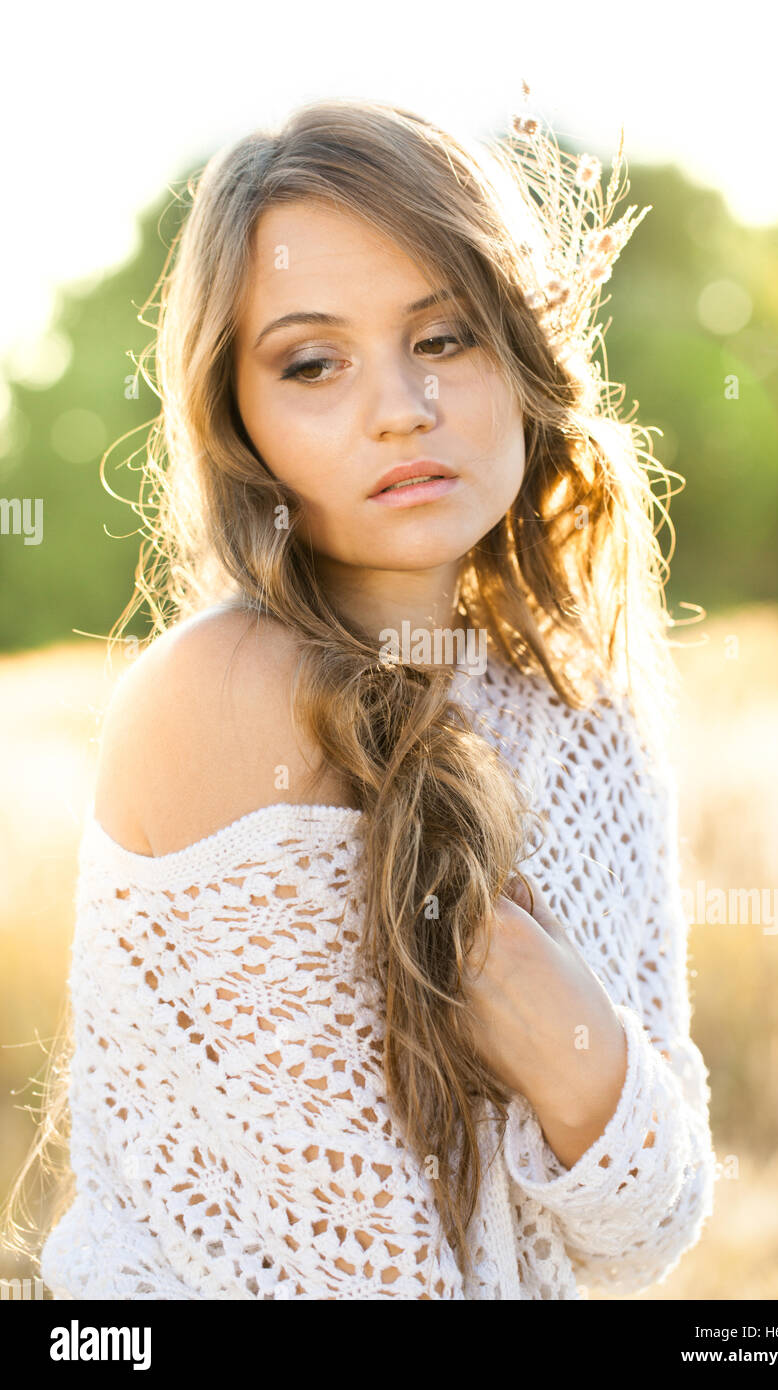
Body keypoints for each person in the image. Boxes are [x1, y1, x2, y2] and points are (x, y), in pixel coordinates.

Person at [20, 94, 714, 1298]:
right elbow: (353, 1273)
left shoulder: (580, 701)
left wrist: (569, 1044)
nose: (400, 406)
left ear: (522, 350)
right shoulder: (222, 695)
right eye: (311, 362)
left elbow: (651, 1224)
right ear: (238, 420)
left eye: (442, 337)